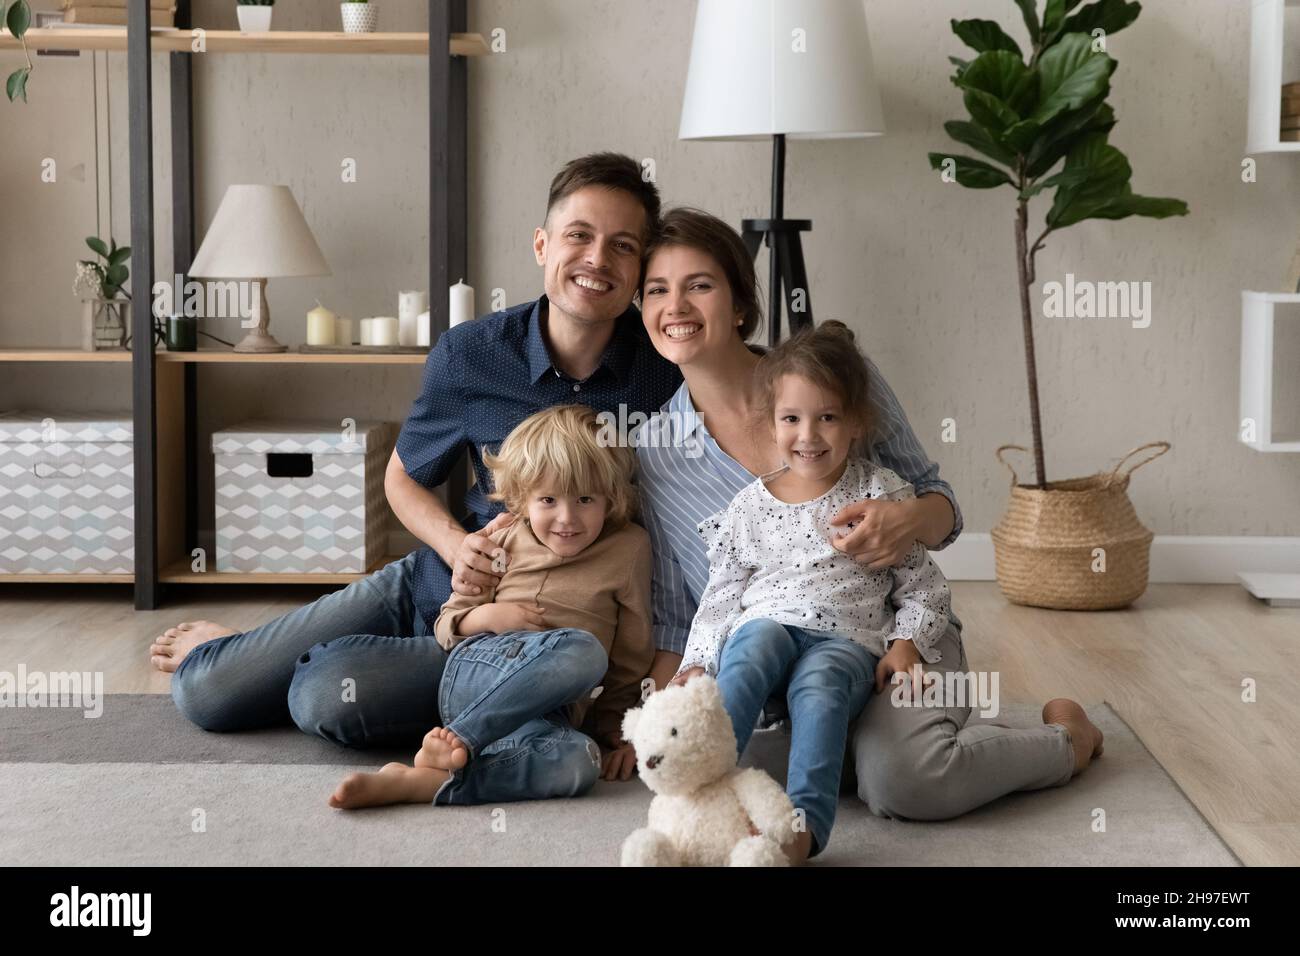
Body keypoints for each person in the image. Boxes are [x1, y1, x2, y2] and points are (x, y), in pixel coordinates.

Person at [149, 153, 680, 777]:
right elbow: (403, 479)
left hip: (530, 639)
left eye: (622, 246)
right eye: (579, 236)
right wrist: (458, 548)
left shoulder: (666, 369)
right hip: (432, 586)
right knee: (207, 691)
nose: (597, 259)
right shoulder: (472, 354)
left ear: (641, 267)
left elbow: (755, 396)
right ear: (542, 244)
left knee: (328, 701)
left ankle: (331, 670)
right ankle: (239, 651)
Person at [635, 207, 1104, 825]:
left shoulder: (832, 378)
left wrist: (904, 519)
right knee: (732, 757)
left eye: (699, 284)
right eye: (657, 290)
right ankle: (850, 745)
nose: (677, 306)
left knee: (907, 785)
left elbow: (944, 510)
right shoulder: (654, 450)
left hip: (885, 641)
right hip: (771, 661)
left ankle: (1067, 742)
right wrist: (659, 708)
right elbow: (679, 610)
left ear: (741, 303)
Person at [670, 320, 955, 862]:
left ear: (856, 424)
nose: (809, 435)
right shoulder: (749, 507)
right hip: (768, 625)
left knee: (821, 687)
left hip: (846, 642)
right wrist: (697, 661)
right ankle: (704, 790)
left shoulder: (881, 493)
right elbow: (722, 594)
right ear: (771, 424)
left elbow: (924, 586)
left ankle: (801, 829)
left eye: (827, 417)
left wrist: (907, 643)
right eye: (792, 419)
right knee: (751, 647)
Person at [330, 405, 653, 808]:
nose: (566, 518)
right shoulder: (503, 539)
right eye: (548, 499)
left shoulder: (630, 548)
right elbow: (448, 624)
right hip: (477, 673)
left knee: (579, 762)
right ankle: (463, 738)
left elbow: (632, 654)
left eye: (585, 499)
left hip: (549, 712)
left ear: (610, 498)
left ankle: (427, 781)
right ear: (522, 499)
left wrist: (616, 732)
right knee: (585, 649)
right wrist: (487, 617)